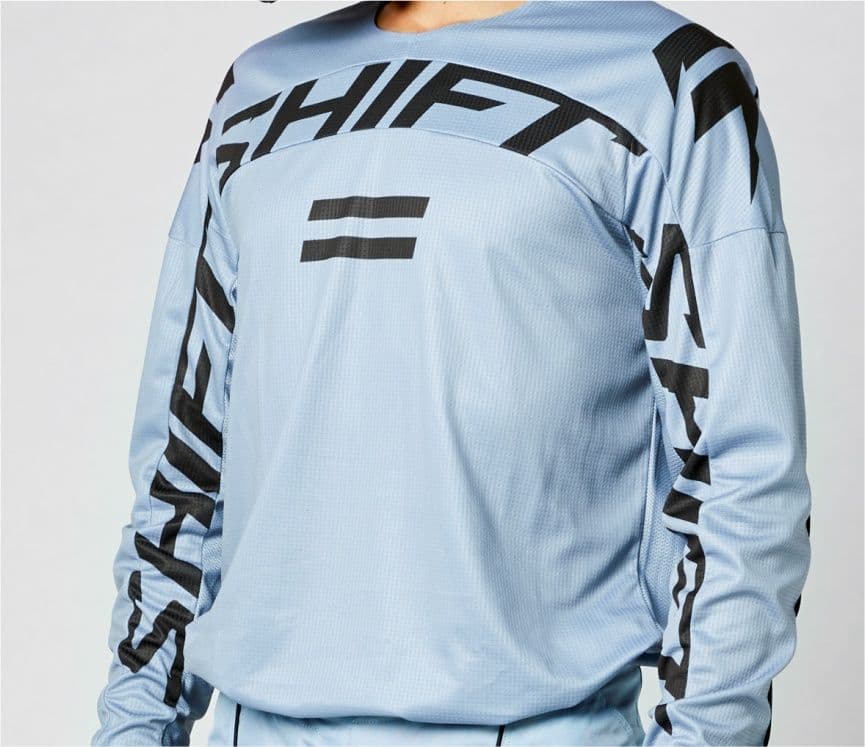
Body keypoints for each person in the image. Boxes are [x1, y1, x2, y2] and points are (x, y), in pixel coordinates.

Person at [92, 1, 812, 744]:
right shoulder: (258, 86)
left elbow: (742, 469)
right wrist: (134, 729)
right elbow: (183, 463)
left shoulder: (664, 77)